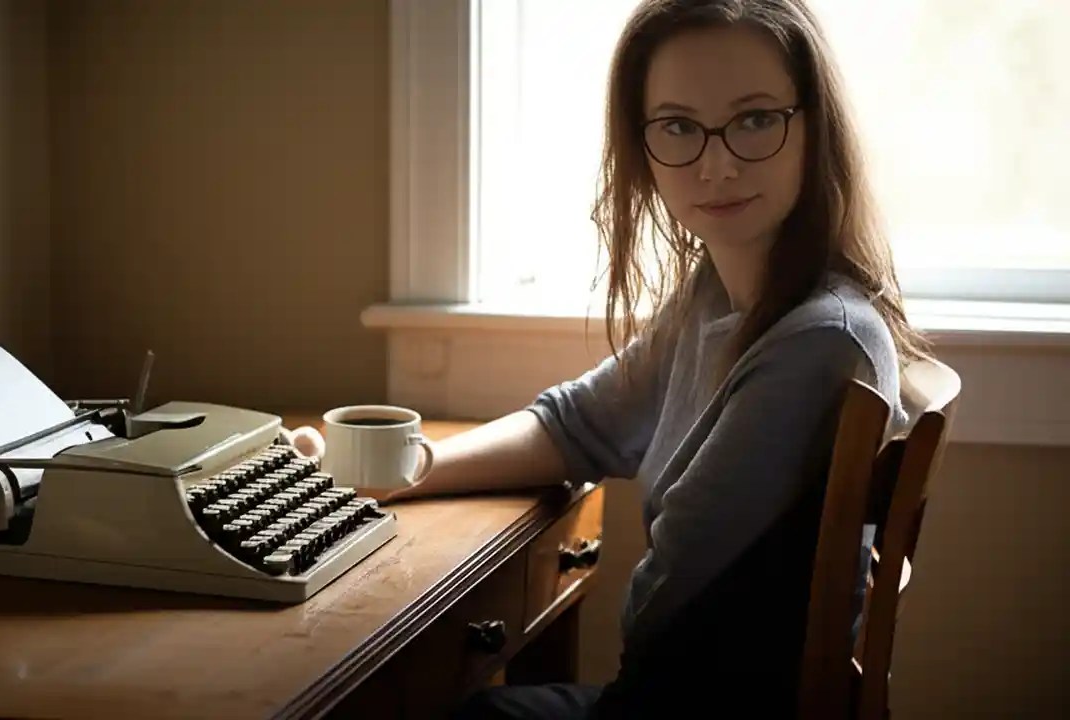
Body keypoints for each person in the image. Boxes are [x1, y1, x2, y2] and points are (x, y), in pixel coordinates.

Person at [292, 0, 932, 716]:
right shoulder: (716, 294)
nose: (716, 164)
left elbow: (665, 599)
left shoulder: (818, 340)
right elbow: (579, 425)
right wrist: (409, 469)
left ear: (814, 126)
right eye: (679, 127)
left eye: (755, 119)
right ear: (643, 143)